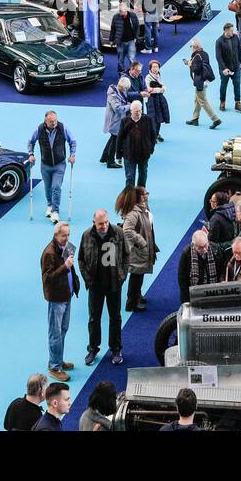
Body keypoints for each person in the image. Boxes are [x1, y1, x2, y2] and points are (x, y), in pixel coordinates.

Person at [79, 208, 127, 367]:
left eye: (106, 222)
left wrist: (122, 276)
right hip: (95, 286)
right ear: (94, 223)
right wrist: (88, 279)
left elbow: (127, 255)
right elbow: (81, 259)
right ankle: (93, 348)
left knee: (115, 318)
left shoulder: (118, 232)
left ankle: (116, 349)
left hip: (114, 284)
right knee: (94, 319)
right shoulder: (86, 235)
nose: (104, 226)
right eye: (101, 224)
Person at [40, 221, 79, 381]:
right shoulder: (49, 253)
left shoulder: (67, 246)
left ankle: (58, 360)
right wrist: (65, 267)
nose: (67, 238)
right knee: (55, 333)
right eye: (64, 235)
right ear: (56, 235)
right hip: (56, 298)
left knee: (63, 330)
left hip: (66, 295)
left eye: (68, 234)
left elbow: (71, 269)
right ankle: (54, 367)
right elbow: (47, 279)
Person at [118, 185, 157, 313]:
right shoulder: (133, 213)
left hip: (143, 248)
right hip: (137, 249)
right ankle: (131, 303)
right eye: (145, 193)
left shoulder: (143, 208)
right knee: (136, 275)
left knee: (140, 275)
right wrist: (142, 242)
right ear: (139, 197)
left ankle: (137, 296)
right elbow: (127, 230)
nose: (147, 195)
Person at [117, 100, 156, 188]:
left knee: (143, 175)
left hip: (144, 153)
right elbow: (119, 138)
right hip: (129, 154)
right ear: (131, 111)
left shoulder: (148, 120)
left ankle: (141, 196)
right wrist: (118, 155)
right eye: (136, 112)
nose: (138, 113)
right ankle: (130, 197)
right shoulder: (125, 121)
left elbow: (153, 136)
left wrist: (151, 149)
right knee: (130, 177)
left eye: (140, 111)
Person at [184, 38, 220, 129]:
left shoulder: (196, 56)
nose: (191, 48)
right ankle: (195, 119)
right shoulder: (205, 54)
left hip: (200, 81)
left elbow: (196, 69)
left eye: (191, 46)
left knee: (203, 101)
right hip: (205, 80)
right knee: (197, 100)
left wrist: (190, 65)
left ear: (195, 47)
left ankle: (215, 119)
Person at [100, 76, 131, 169]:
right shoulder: (113, 95)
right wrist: (129, 106)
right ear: (122, 86)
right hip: (114, 120)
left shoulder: (120, 91)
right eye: (126, 88)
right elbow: (118, 109)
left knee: (113, 138)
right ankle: (110, 161)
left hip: (117, 120)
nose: (126, 90)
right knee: (115, 140)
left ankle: (104, 157)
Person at [214, 22, 241, 113]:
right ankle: (222, 102)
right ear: (226, 30)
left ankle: (237, 103)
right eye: (231, 30)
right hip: (225, 69)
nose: (233, 32)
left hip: (235, 67)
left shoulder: (235, 37)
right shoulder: (219, 41)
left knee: (237, 85)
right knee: (224, 85)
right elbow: (218, 57)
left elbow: (239, 50)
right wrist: (224, 68)